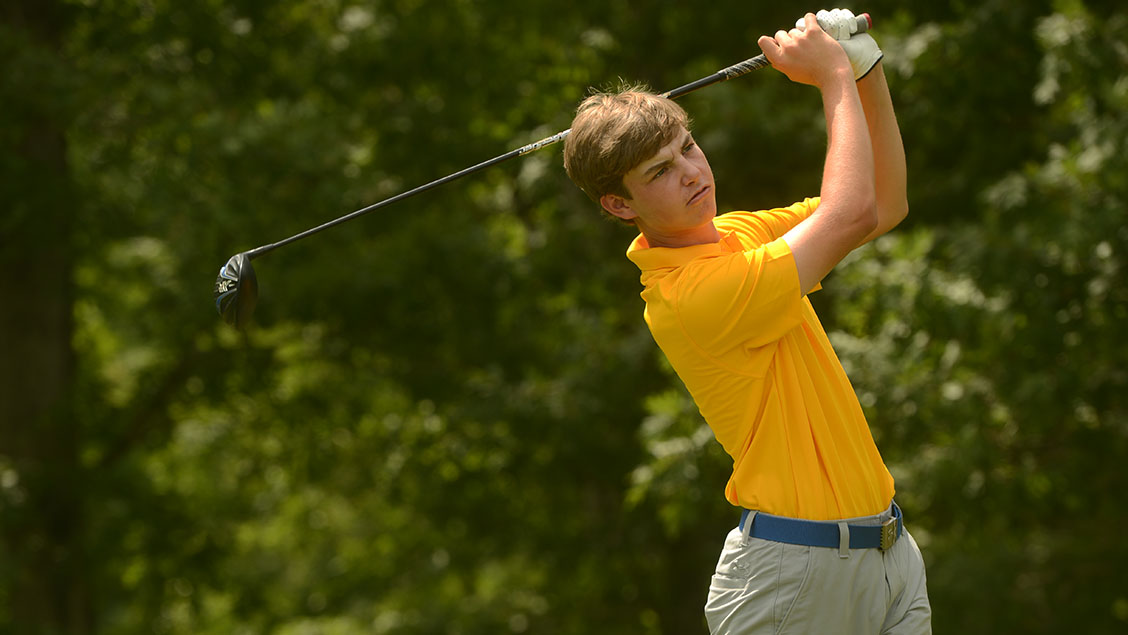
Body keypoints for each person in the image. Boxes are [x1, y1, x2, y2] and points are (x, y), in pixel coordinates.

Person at [562, 9, 931, 634]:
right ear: (620, 205)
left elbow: (881, 204)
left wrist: (865, 70)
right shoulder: (690, 295)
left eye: (687, 147)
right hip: (793, 575)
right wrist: (832, 78)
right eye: (660, 171)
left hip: (888, 554)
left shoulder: (734, 236)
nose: (691, 171)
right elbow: (848, 214)